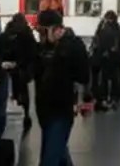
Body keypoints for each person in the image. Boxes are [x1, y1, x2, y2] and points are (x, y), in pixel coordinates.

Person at [34, 9, 89, 166]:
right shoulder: (43, 48)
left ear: (55, 28)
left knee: (49, 159)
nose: (40, 35)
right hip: (44, 110)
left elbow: (84, 76)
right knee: (58, 154)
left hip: (61, 110)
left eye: (43, 31)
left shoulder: (74, 46)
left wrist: (84, 101)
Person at [0, 13, 38, 130]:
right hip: (21, 70)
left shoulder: (6, 34)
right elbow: (32, 52)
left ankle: (6, 113)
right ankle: (25, 115)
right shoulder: (27, 33)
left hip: (6, 69)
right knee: (23, 93)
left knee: (7, 92)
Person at [93, 11, 120, 110]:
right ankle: (115, 97)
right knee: (115, 78)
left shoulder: (103, 29)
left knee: (104, 79)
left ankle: (104, 97)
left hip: (105, 57)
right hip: (116, 57)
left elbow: (98, 42)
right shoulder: (119, 29)